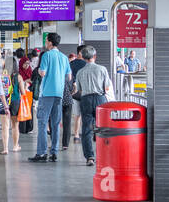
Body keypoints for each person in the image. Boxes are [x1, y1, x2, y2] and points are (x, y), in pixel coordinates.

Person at [30, 33, 71, 163]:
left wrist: (38, 71)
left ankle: (41, 153)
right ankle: (54, 152)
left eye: (46, 41)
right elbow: (69, 77)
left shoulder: (47, 55)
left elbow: (42, 73)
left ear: (50, 42)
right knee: (55, 123)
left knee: (42, 123)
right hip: (59, 94)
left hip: (47, 93)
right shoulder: (64, 57)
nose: (45, 43)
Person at [73, 45, 113, 165]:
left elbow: (78, 89)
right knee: (104, 128)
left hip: (85, 99)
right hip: (100, 99)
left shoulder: (80, 72)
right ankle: (106, 155)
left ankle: (90, 157)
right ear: (94, 56)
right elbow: (106, 87)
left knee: (86, 129)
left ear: (83, 58)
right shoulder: (102, 69)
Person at [67, 49, 88, 145]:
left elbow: (68, 77)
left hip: (75, 93)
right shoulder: (87, 65)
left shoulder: (71, 64)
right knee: (87, 115)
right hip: (87, 92)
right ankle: (86, 133)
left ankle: (76, 135)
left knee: (77, 115)